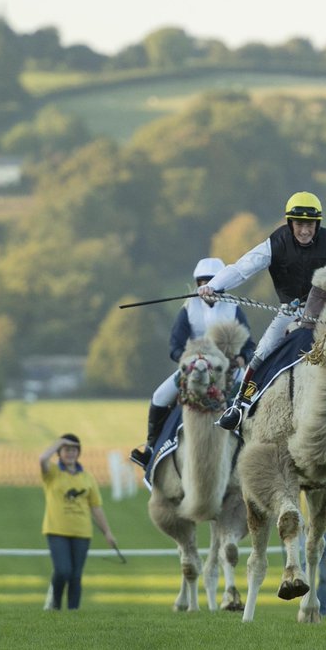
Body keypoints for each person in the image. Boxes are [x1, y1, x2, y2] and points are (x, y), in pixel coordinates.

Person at [197, 191, 326, 437]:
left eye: (310, 225)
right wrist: (214, 285)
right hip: (287, 312)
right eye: (299, 224)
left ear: (318, 224)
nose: (304, 230)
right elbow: (242, 269)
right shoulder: (275, 242)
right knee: (262, 352)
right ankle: (240, 405)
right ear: (290, 223)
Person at [131, 257, 256, 467]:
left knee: (252, 400)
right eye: (201, 282)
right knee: (160, 397)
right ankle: (151, 448)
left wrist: (243, 357)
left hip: (228, 369)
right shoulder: (188, 308)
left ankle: (255, 449)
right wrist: (189, 360)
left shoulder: (234, 307)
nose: (205, 287)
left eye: (211, 281)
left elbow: (249, 345)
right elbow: (175, 346)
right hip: (195, 367)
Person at [39, 434, 116, 610]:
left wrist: (107, 532)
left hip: (82, 532)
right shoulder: (52, 473)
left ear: (78, 452)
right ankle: (55, 604)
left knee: (75, 575)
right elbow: (42, 458)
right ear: (59, 452)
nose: (70, 453)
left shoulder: (87, 477)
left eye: (73, 449)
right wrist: (60, 441)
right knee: (62, 570)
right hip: (57, 530)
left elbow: (96, 507)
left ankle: (74, 611)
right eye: (66, 449)